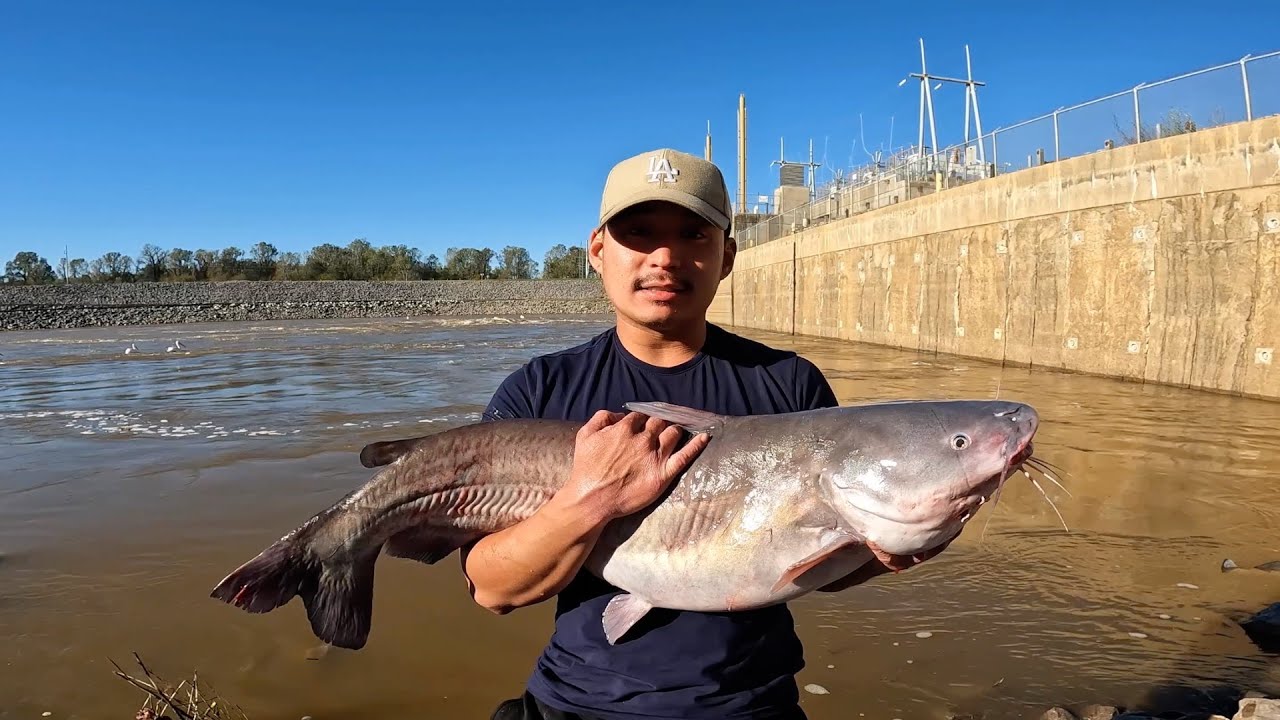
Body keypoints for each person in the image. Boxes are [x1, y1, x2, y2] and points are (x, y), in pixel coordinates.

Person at [461, 148, 932, 720]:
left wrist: (905, 539)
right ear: (597, 250)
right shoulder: (538, 391)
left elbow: (819, 571)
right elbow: (493, 590)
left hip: (752, 703)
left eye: (693, 234)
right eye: (638, 233)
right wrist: (594, 497)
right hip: (577, 703)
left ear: (726, 255)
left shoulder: (788, 384)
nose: (665, 257)